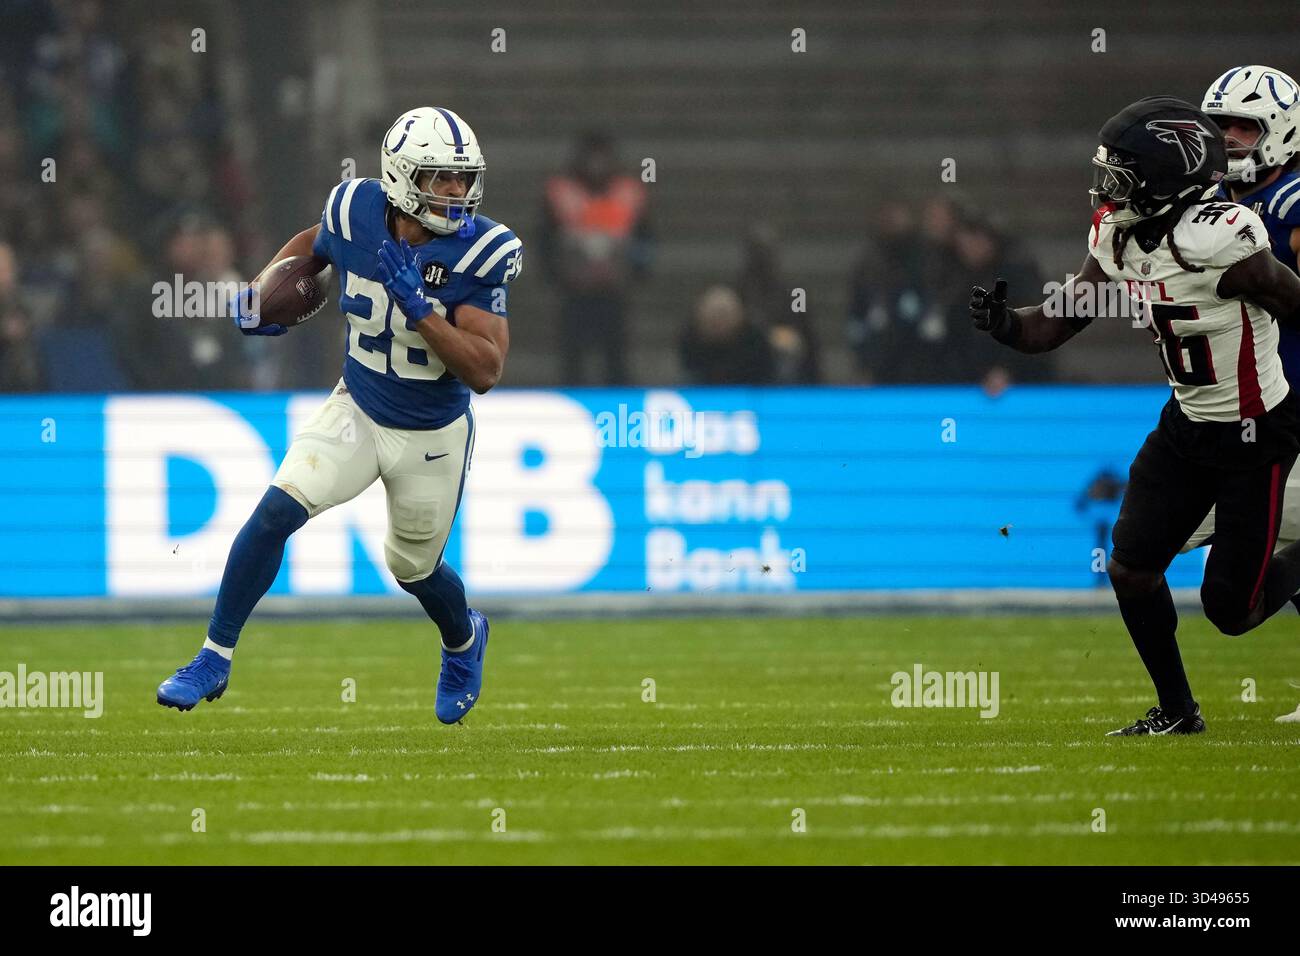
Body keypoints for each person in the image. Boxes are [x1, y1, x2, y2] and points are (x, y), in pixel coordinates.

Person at [156, 107, 522, 725]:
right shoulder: (355, 207)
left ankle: (463, 639)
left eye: (464, 179)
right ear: (404, 177)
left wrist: (419, 308)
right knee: (277, 511)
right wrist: (269, 287)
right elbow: (316, 244)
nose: (457, 192)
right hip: (357, 404)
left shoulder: (482, 249)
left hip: (430, 432)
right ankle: (213, 656)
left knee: (413, 568)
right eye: (441, 178)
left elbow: (485, 371)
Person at [971, 96, 1300, 736]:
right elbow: (1055, 324)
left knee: (1232, 611)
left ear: (1166, 175)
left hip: (1255, 434)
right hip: (1185, 427)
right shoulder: (1118, 236)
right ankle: (1178, 710)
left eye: (1122, 169)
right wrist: (1007, 325)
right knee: (1131, 568)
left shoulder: (1221, 238)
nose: (1109, 181)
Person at [539, 130, 650, 384]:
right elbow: (545, 238)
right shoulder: (560, 192)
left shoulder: (629, 192)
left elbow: (645, 237)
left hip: (614, 290)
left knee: (616, 358)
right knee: (573, 359)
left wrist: (638, 272)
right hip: (575, 290)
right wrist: (555, 276)